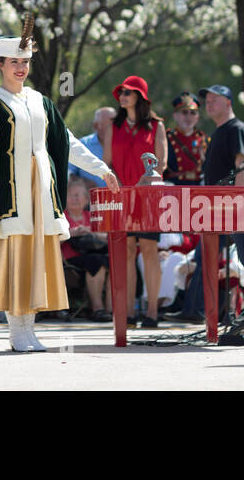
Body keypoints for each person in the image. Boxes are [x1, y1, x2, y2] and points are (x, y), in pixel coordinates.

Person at [0, 22, 118, 351]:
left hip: (40, 192)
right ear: (0, 65)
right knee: (14, 257)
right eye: (13, 63)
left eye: (25, 62)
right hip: (11, 193)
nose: (20, 69)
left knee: (36, 259)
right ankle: (16, 330)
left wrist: (101, 168)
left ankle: (29, 328)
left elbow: (67, 142)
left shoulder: (41, 101)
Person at [173, 84, 244, 322]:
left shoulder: (236, 128)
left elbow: (241, 164)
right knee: (203, 256)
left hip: (231, 206)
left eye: (215, 99)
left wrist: (238, 202)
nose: (209, 103)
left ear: (228, 103)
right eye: (207, 100)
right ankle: (193, 310)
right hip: (214, 206)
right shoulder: (218, 130)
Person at [102, 74, 166, 327]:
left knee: (149, 251)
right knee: (126, 251)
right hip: (121, 196)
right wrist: (118, 184)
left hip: (149, 197)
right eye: (121, 92)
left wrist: (144, 182)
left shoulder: (156, 126)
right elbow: (107, 162)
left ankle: (152, 313)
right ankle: (127, 312)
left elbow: (161, 162)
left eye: (128, 92)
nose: (123, 96)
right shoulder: (112, 126)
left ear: (140, 96)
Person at [60, 176, 109, 320]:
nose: (74, 199)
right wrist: (71, 233)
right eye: (70, 195)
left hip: (93, 255)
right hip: (69, 261)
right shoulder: (62, 217)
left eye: (78, 195)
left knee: (108, 261)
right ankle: (97, 308)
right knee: (95, 261)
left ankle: (111, 309)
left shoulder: (92, 216)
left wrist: (90, 231)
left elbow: (108, 237)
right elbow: (52, 241)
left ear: (86, 200)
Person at [164, 92, 207, 186]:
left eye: (193, 113)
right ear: (175, 115)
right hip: (174, 189)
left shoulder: (203, 139)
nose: (189, 117)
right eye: (184, 112)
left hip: (198, 190)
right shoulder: (166, 138)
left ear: (197, 117)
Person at [75, 107, 116, 186]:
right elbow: (69, 173)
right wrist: (84, 182)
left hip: (118, 195)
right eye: (109, 126)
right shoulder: (82, 144)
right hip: (89, 196)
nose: (114, 129)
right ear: (96, 126)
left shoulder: (122, 145)